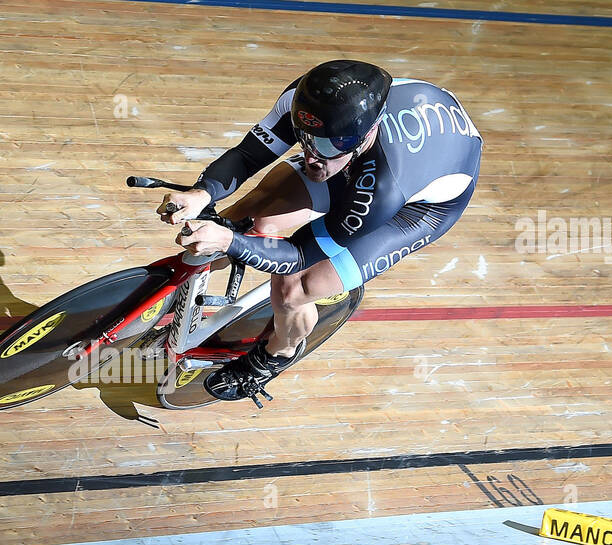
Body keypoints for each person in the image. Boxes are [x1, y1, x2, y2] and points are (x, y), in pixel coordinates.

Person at [160, 60, 483, 404]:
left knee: (294, 287)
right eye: (305, 139)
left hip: (416, 205)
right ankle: (173, 294)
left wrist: (226, 241)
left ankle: (277, 355)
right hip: (370, 154)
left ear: (368, 133)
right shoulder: (310, 104)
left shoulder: (385, 186)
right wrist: (201, 193)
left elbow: (298, 255)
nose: (313, 157)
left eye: (327, 146)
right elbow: (247, 154)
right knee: (246, 216)